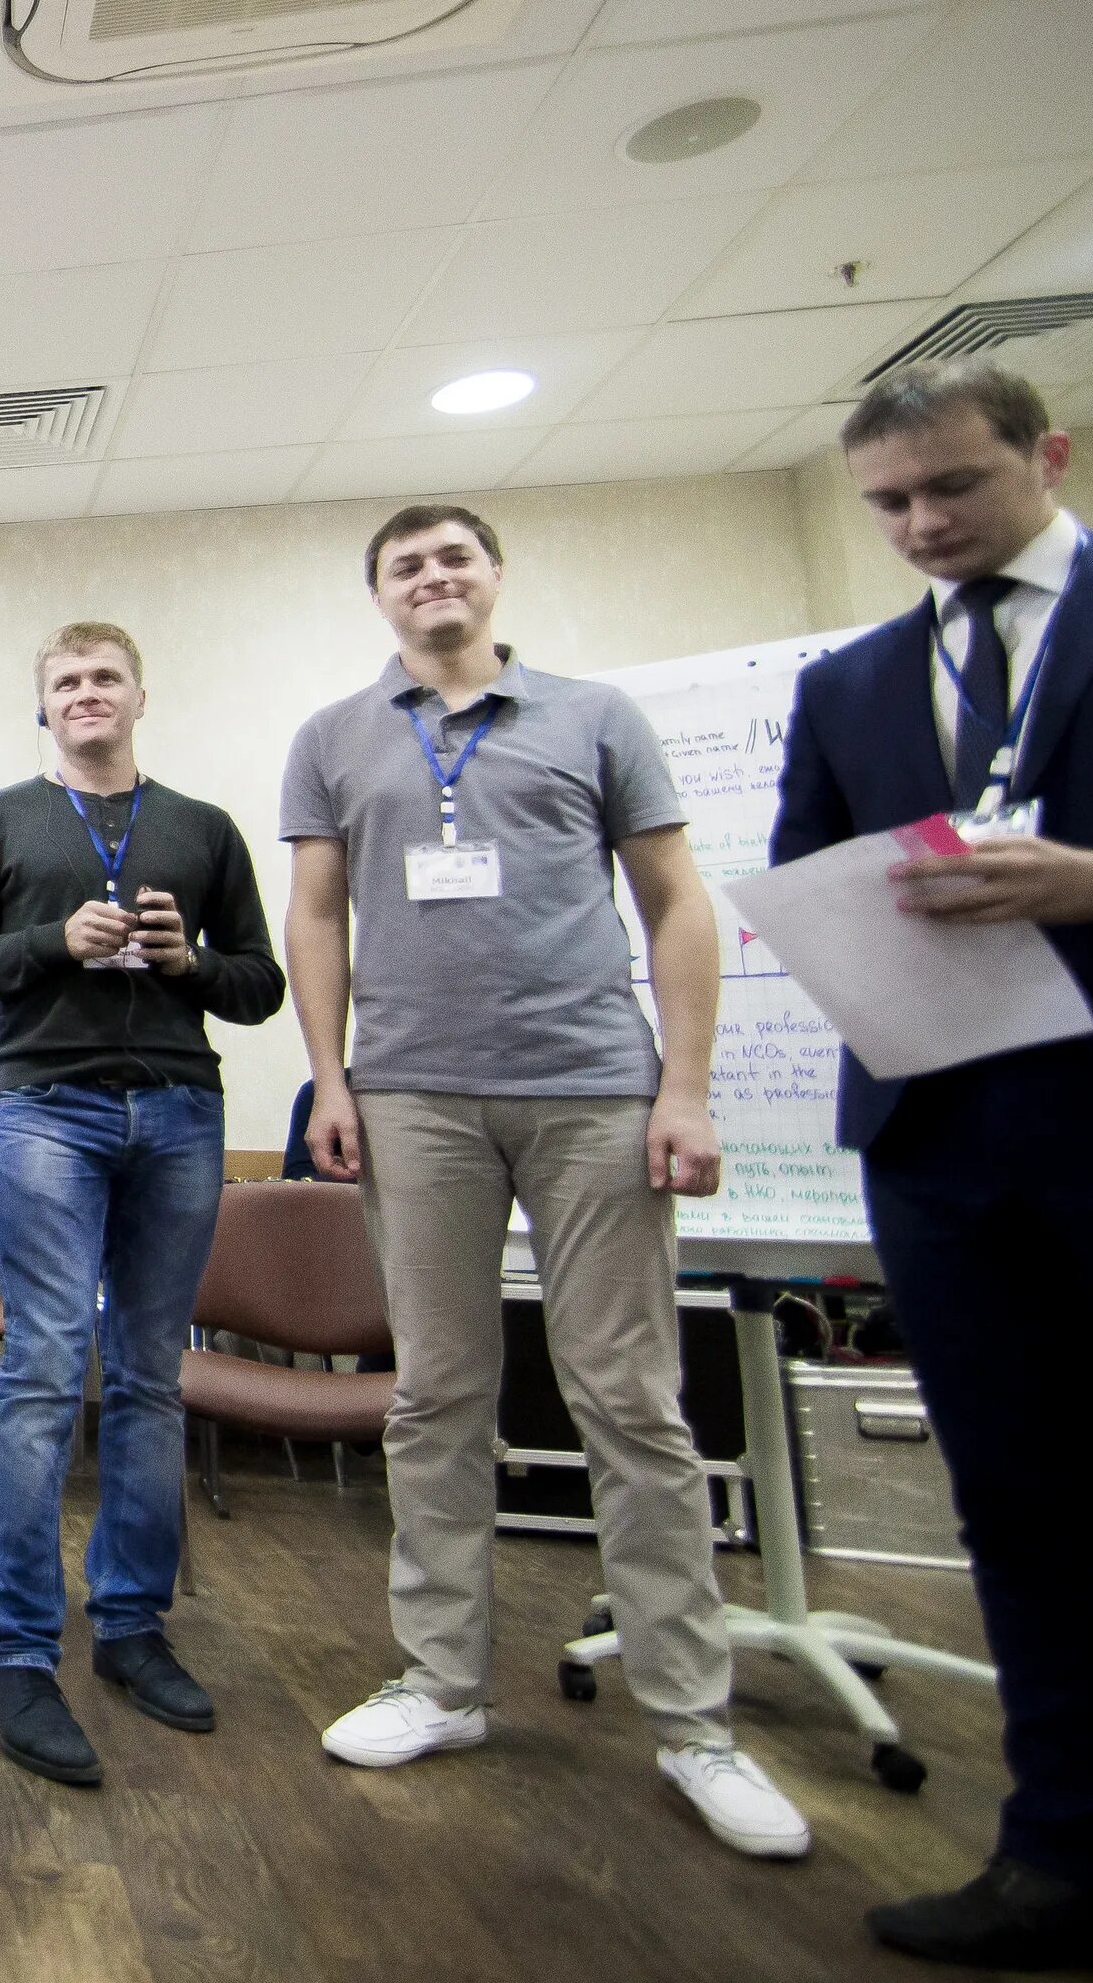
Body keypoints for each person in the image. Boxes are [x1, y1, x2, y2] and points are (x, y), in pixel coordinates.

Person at [280, 502, 811, 1861]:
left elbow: (677, 901)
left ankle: (696, 1726)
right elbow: (319, 915)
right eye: (407, 566)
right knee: (439, 1392)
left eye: (455, 557)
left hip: (593, 1090)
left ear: (495, 579)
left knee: (629, 1398)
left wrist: (681, 1087)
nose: (433, 578)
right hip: (412, 1095)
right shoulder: (336, 738)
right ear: (380, 597)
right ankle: (443, 1684)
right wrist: (332, 1082)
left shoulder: (594, 717)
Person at [774, 361, 1093, 1971]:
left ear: (1046, 456)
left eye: (953, 490)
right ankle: (1065, 1849)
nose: (921, 525)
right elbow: (806, 871)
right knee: (1023, 1497)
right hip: (941, 1139)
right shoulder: (852, 683)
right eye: (891, 504)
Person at [0, 621, 284, 1785]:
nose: (86, 693)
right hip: (47, 1107)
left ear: (141, 693)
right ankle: (18, 1652)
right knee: (43, 1365)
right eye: (65, 681)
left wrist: (187, 961)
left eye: (104, 677)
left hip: (182, 1111)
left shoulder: (202, 828)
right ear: (41, 706)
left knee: (149, 1371)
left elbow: (261, 982)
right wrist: (54, 938)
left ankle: (132, 1627)